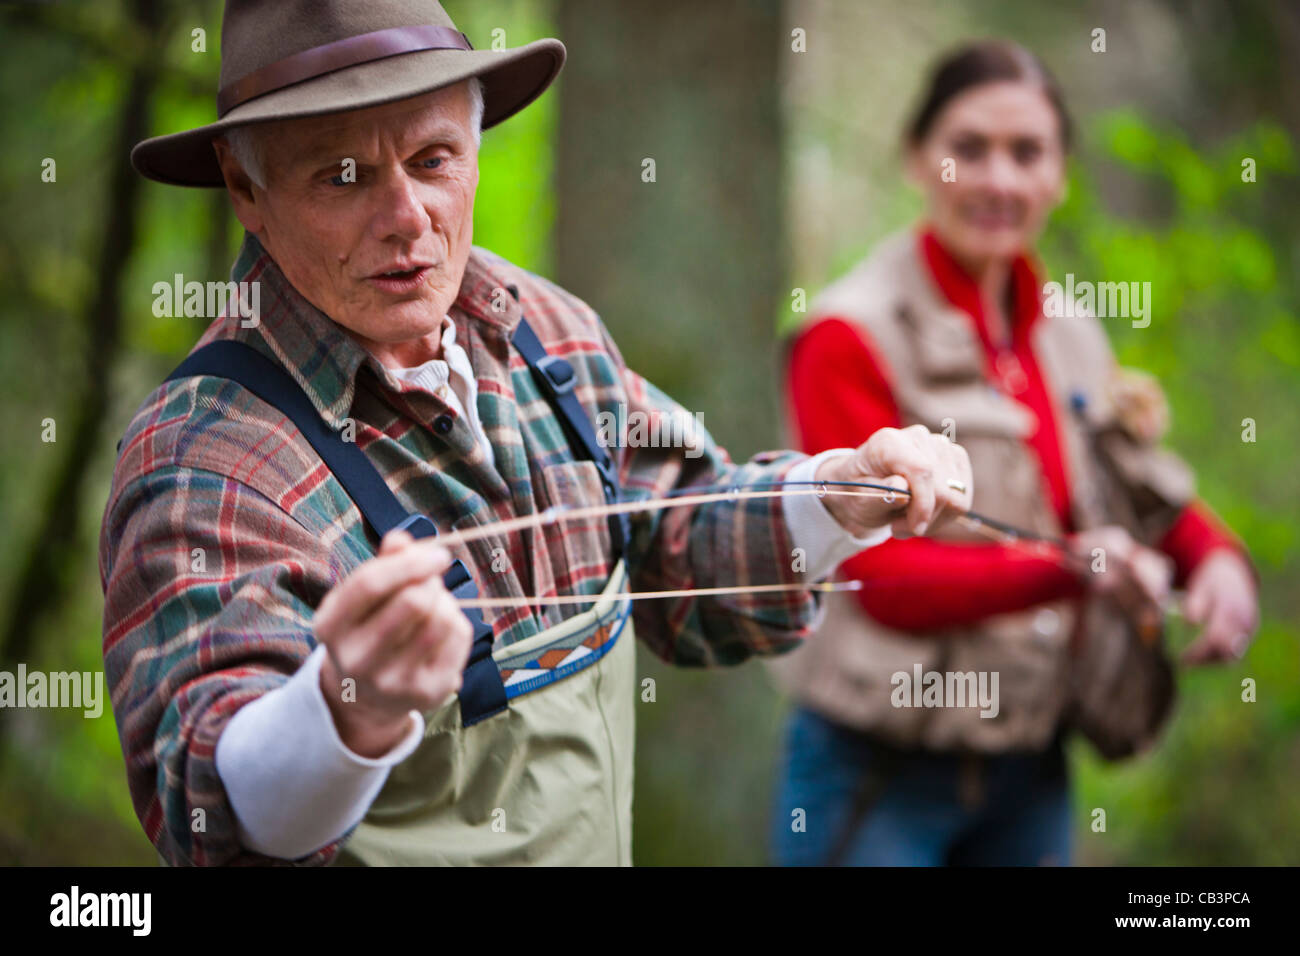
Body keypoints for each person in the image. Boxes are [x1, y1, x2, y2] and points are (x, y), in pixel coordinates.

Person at [98, 0, 973, 866]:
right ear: (246, 189)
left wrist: (836, 498)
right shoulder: (204, 461)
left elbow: (672, 534)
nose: (407, 216)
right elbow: (207, 807)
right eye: (342, 176)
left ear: (475, 154)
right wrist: (343, 710)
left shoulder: (544, 326)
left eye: (432, 159)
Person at [767, 39, 1259, 867]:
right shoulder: (849, 335)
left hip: (1033, 768)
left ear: (1060, 175)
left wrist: (1216, 559)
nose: (998, 179)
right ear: (917, 159)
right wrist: (1071, 569)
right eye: (968, 149)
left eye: (1027, 152)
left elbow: (1130, 490)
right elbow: (877, 580)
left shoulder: (1066, 330)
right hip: (876, 775)